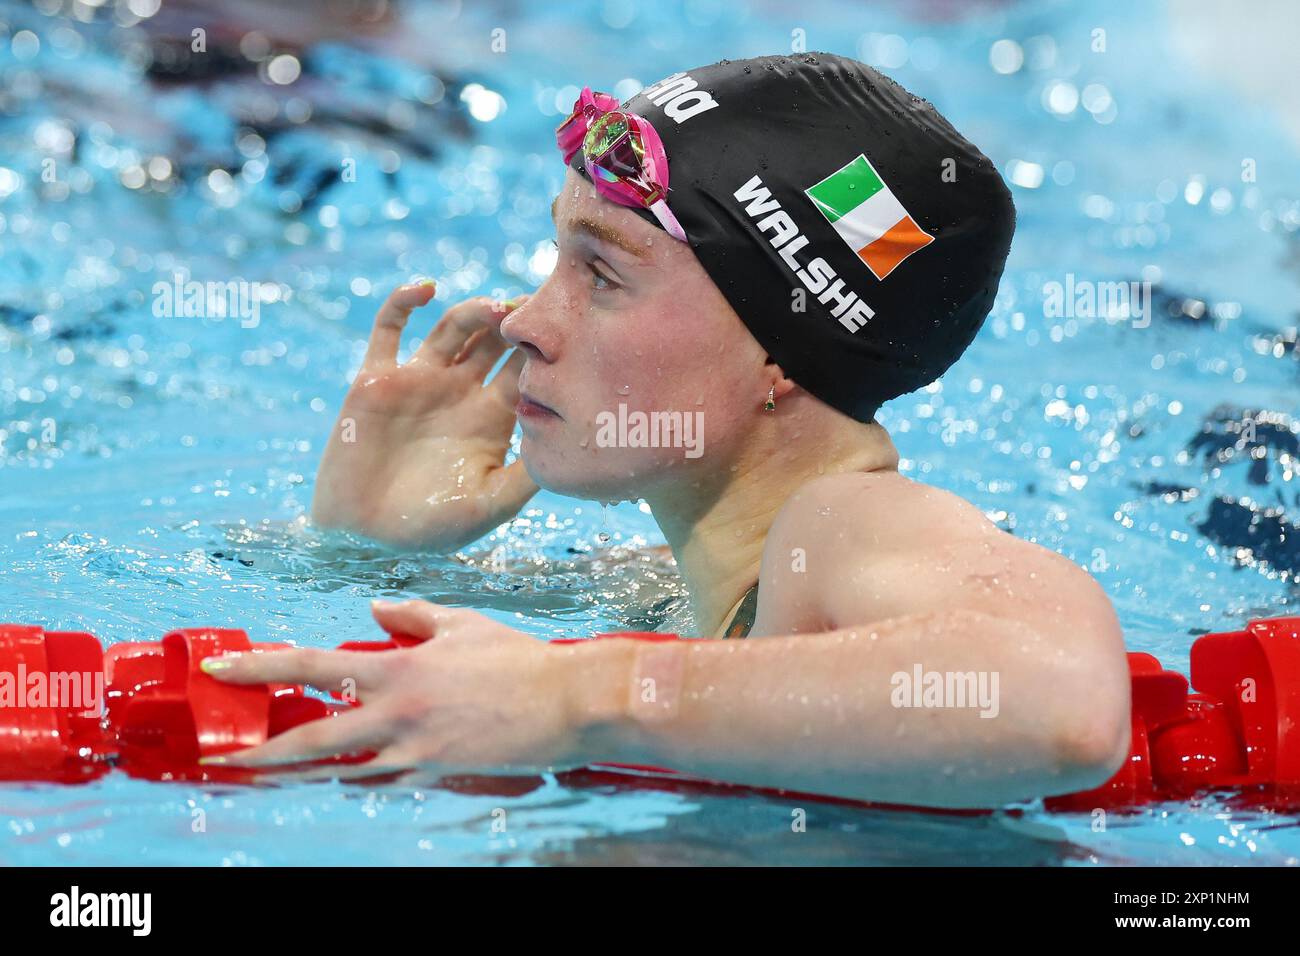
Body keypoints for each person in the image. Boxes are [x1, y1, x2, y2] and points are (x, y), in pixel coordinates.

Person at [202, 53, 1131, 809]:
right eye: (554, 257)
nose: (526, 321)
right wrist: (365, 549)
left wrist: (579, 698)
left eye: (603, 275)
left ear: (782, 352)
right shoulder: (673, 593)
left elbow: (1064, 699)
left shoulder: (842, 528)